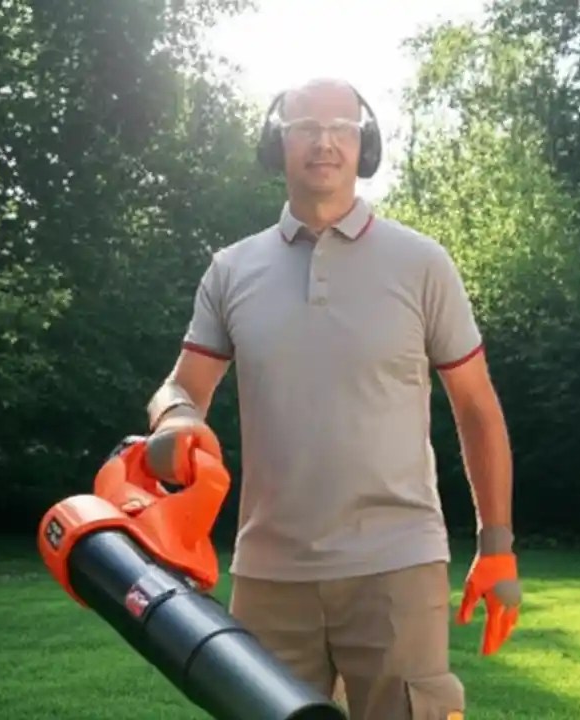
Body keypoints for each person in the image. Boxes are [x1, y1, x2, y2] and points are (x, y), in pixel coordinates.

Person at [141, 77, 521, 720]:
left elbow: (477, 406)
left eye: (341, 128)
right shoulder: (232, 269)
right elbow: (180, 386)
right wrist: (175, 416)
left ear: (363, 145)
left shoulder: (421, 263)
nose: (324, 142)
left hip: (397, 564)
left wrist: (498, 544)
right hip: (269, 574)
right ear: (278, 144)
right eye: (305, 128)